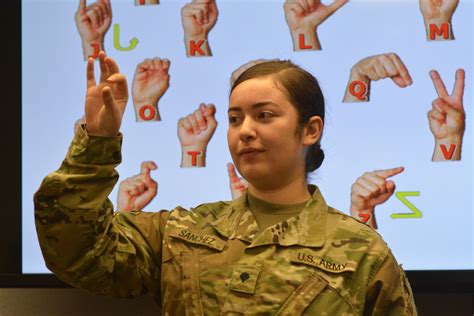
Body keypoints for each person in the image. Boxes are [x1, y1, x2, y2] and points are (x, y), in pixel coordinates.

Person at [34, 51, 417, 315]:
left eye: (264, 115)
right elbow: (78, 252)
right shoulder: (180, 233)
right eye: (235, 119)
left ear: (310, 130)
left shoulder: (363, 252)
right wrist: (97, 144)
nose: (245, 131)